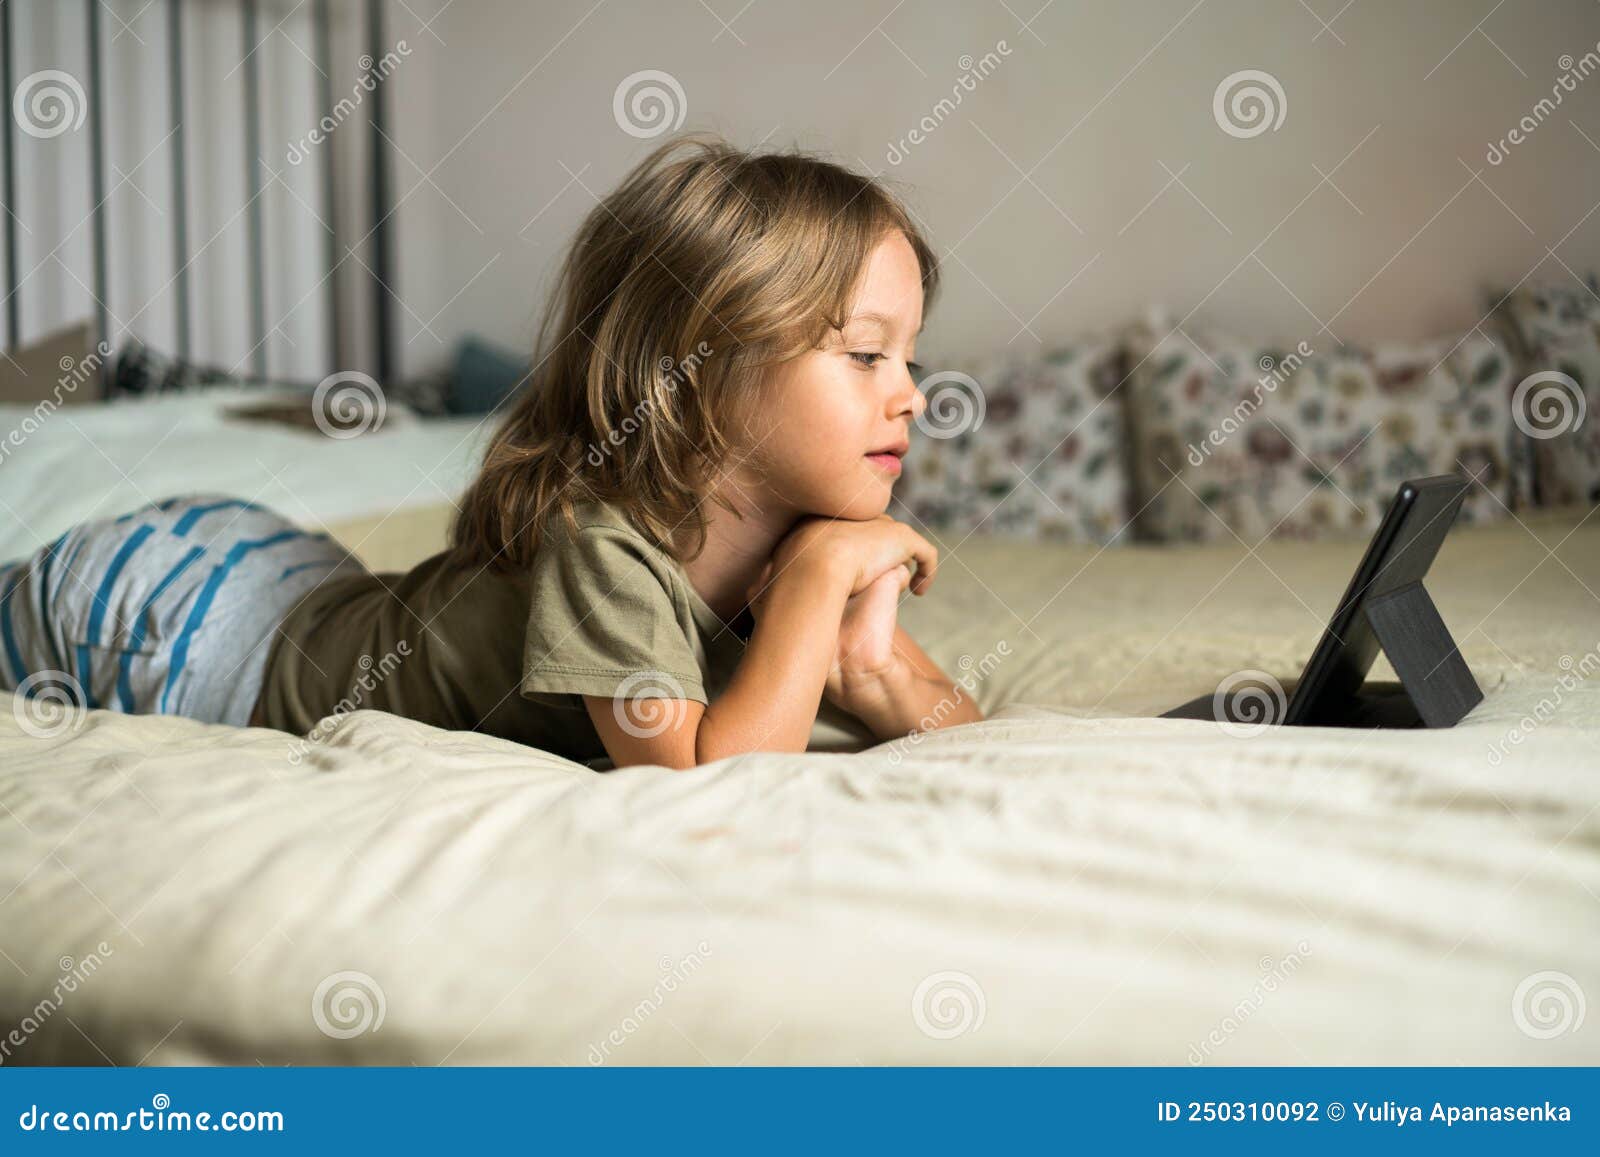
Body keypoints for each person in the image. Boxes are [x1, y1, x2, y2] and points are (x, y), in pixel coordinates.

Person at [0, 134, 984, 769]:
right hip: (186, 621)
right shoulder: (607, 541)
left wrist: (866, 657)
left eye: (909, 356)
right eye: (866, 355)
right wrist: (814, 585)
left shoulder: (807, 531)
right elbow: (708, 784)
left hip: (292, 577)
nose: (912, 392)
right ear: (699, 371)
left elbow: (953, 726)